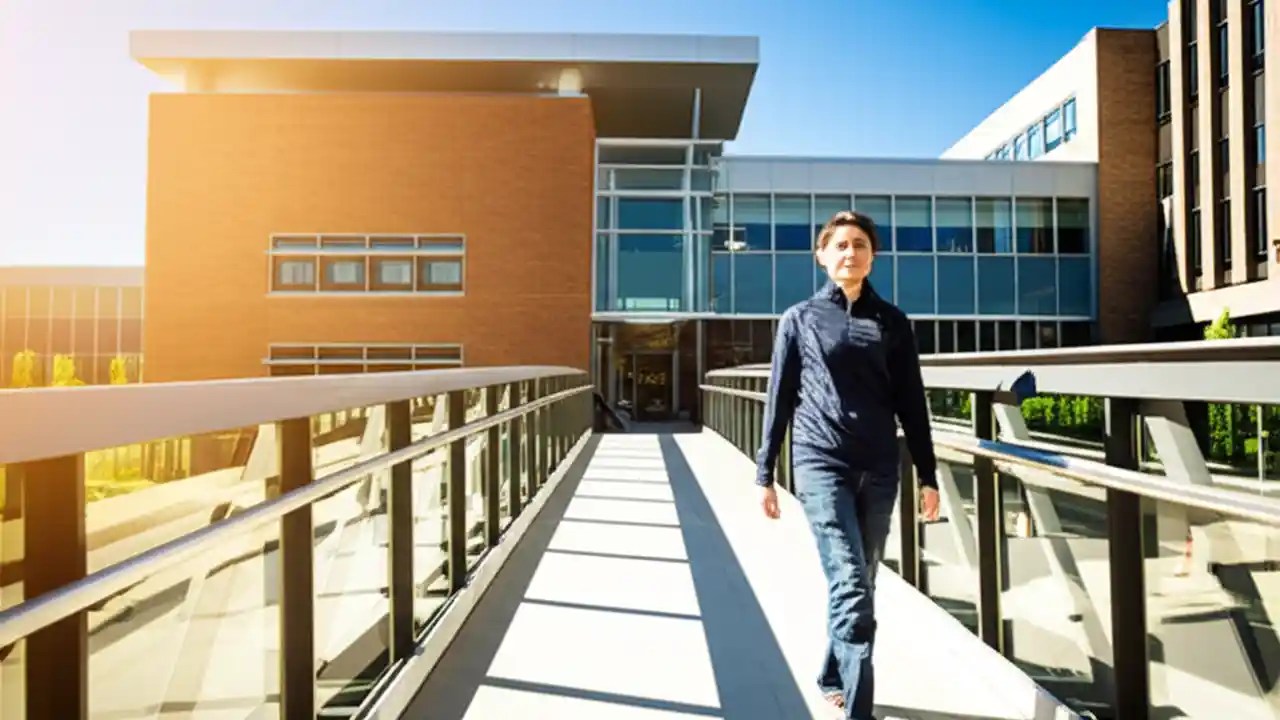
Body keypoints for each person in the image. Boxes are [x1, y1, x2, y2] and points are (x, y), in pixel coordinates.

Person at [754, 210, 940, 720]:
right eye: (839, 245)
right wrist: (765, 472)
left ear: (872, 256)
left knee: (863, 578)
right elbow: (780, 397)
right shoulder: (799, 319)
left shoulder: (894, 323)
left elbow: (912, 401)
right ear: (822, 255)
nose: (849, 253)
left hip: (879, 466)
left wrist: (928, 475)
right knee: (852, 585)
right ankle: (859, 709)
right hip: (820, 463)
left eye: (859, 244)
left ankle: (832, 673)